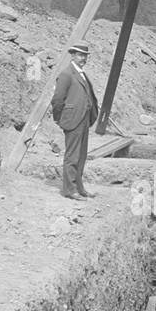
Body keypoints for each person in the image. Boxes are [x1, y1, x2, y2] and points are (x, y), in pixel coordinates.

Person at [50, 41, 98, 200]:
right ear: (72, 55)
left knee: (81, 155)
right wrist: (60, 118)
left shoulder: (81, 73)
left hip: (84, 119)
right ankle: (69, 190)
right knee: (72, 156)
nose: (83, 58)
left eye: (85, 55)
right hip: (73, 119)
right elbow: (57, 100)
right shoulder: (66, 74)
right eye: (79, 55)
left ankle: (79, 187)